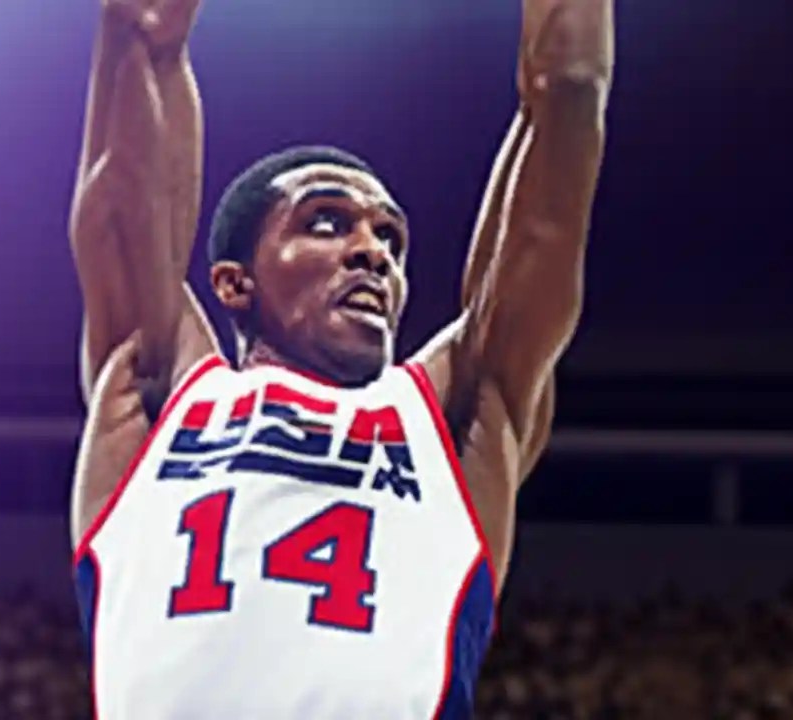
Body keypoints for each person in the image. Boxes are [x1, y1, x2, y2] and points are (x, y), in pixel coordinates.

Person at [67, 0, 613, 716]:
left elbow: (567, 90)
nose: (371, 253)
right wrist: (143, 38)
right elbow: (121, 195)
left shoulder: (453, 415)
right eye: (326, 223)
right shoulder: (162, 387)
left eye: (391, 240)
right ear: (235, 283)